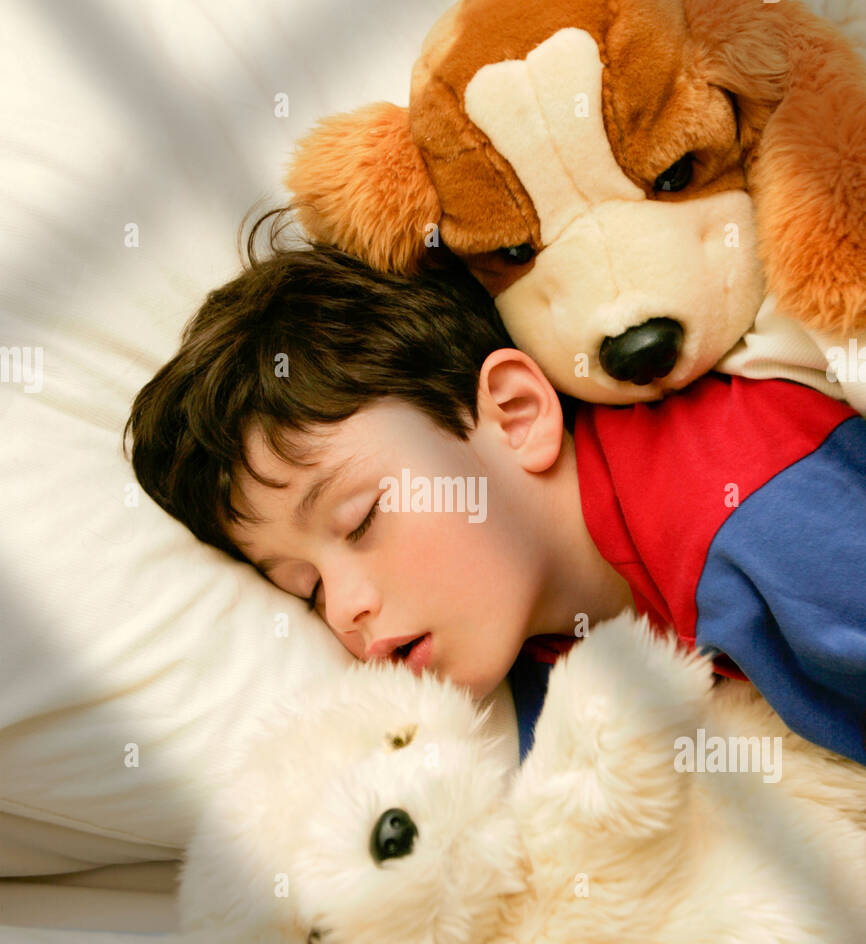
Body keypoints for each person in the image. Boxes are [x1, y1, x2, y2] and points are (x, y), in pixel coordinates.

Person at [124, 230, 866, 771]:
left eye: (361, 519)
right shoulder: (535, 663)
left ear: (516, 415)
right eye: (304, 587)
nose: (344, 608)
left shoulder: (755, 514)